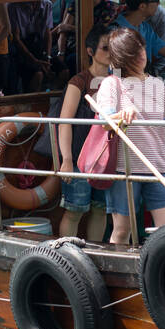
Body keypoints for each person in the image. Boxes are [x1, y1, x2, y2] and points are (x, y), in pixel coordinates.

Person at [96, 28, 165, 245]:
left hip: (159, 168)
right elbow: (105, 122)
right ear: (122, 58)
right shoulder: (111, 83)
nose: (142, 55)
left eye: (141, 48)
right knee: (122, 231)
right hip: (125, 170)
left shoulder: (158, 85)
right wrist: (120, 116)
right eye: (134, 52)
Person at [56, 26, 112, 240]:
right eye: (105, 48)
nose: (110, 53)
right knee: (74, 211)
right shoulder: (78, 82)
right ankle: (65, 253)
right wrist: (67, 160)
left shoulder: (115, 82)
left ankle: (96, 253)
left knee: (100, 209)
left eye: (112, 49)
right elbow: (64, 123)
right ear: (91, 51)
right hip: (80, 157)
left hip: (105, 160)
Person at [8, 0, 53, 93]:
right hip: (22, 49)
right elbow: (16, 39)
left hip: (39, 46)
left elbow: (47, 34)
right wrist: (34, 60)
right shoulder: (13, 6)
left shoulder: (47, 4)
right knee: (38, 74)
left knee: (63, 71)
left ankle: (51, 102)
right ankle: (32, 104)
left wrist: (48, 57)